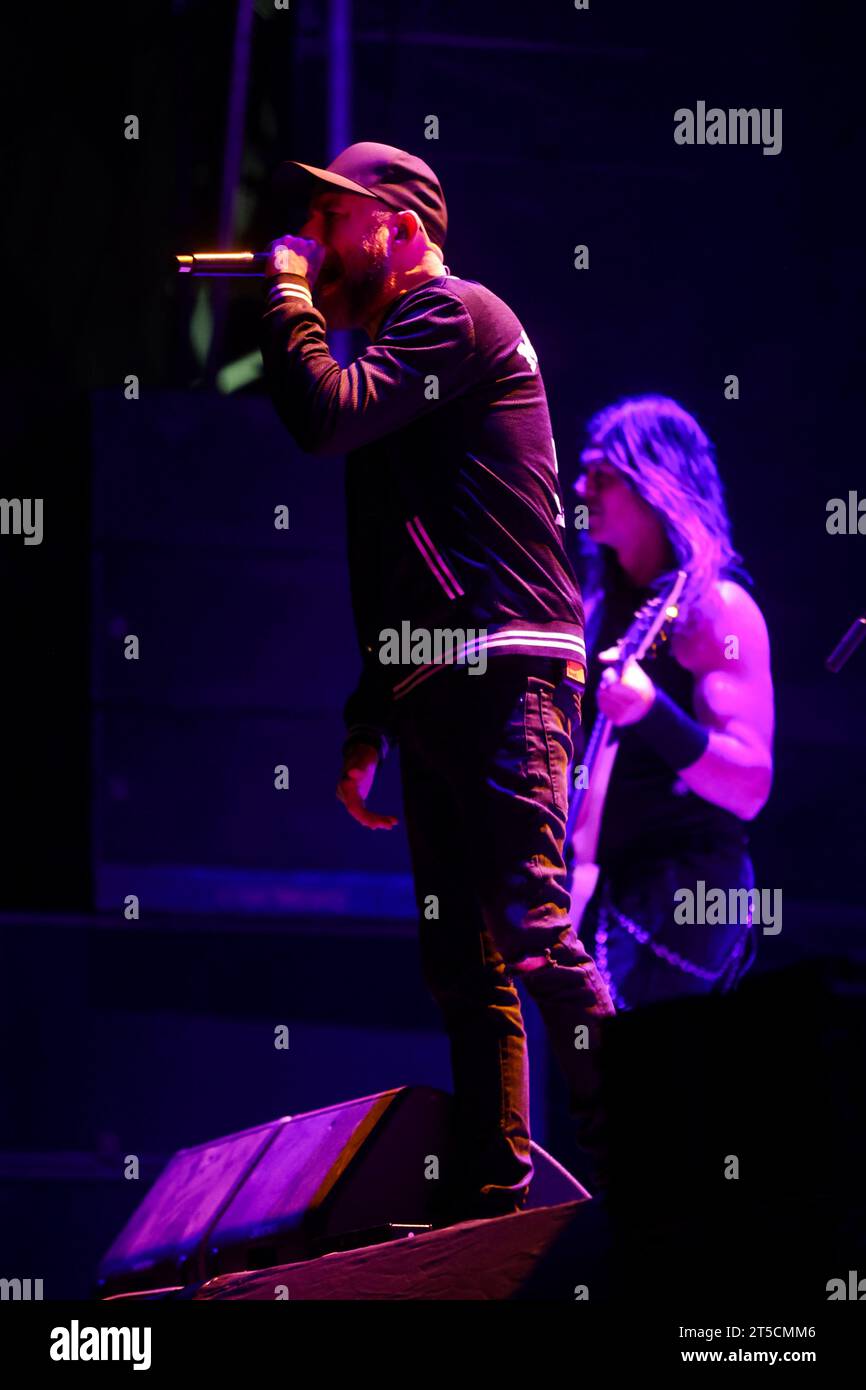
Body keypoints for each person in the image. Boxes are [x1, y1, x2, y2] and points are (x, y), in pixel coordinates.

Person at [258, 142, 615, 1216]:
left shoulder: (453, 316)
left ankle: (662, 1145)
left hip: (506, 667)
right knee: (462, 965)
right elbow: (387, 551)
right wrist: (369, 718)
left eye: (336, 223)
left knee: (533, 931)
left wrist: (283, 294)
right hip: (437, 686)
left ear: (400, 231)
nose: (316, 244)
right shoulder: (390, 366)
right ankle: (491, 1193)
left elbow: (319, 415)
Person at [569, 395, 775, 1009]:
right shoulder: (599, 610)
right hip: (608, 894)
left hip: (683, 899)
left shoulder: (718, 611)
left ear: (655, 483)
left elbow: (749, 785)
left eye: (602, 474)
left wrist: (651, 711)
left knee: (658, 1098)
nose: (581, 488)